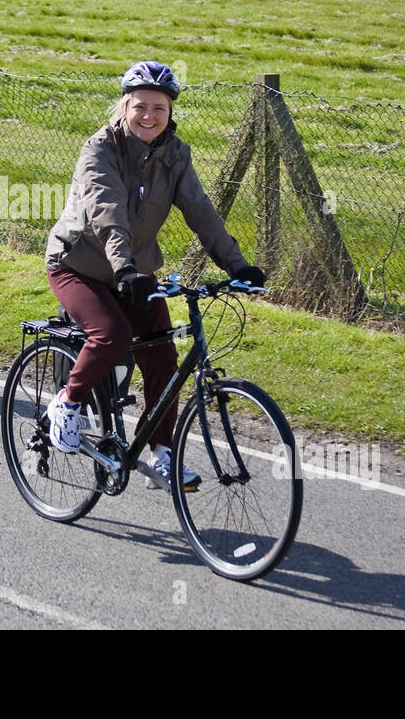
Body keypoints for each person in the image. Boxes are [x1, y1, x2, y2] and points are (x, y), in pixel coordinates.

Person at [43, 60, 265, 489]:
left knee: (164, 357)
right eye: (140, 106)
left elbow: (201, 211)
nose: (149, 116)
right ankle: (66, 403)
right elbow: (108, 213)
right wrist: (123, 265)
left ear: (169, 113)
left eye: (158, 108)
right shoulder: (100, 149)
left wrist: (236, 264)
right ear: (125, 106)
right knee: (111, 335)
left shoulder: (175, 155)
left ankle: (162, 453)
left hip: (134, 273)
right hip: (79, 265)